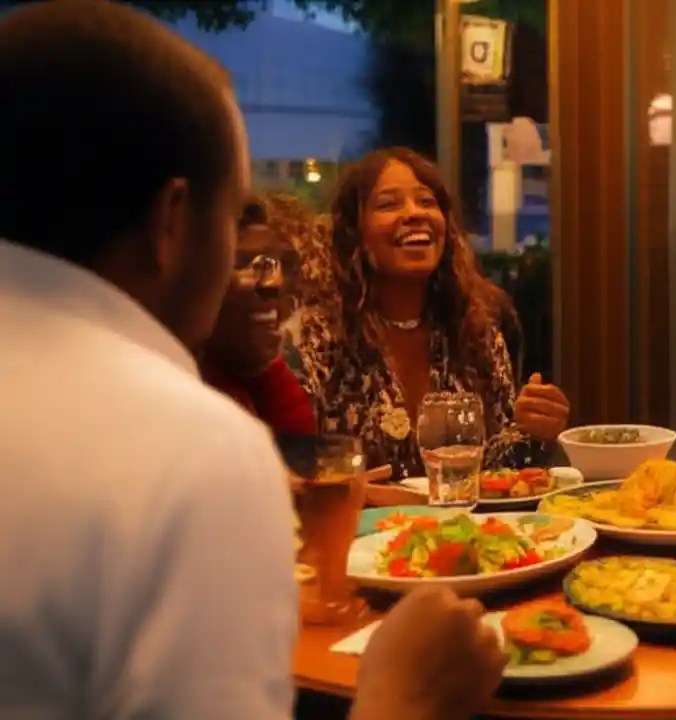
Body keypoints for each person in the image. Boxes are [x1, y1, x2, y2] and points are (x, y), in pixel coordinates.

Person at [0, 3, 502, 719]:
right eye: (233, 214)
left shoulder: (475, 323)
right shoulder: (188, 451)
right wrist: (406, 694)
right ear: (172, 222)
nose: (262, 275)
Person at [293, 147, 570, 476]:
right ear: (355, 234)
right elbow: (295, 474)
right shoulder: (317, 336)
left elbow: (494, 471)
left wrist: (532, 432)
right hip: (354, 525)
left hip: (461, 526)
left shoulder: (474, 328)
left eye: (426, 201)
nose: (414, 213)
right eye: (388, 204)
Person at [201, 196, 316, 436]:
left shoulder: (252, 366)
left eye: (270, 264)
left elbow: (299, 453)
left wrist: (260, 368)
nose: (273, 283)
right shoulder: (181, 378)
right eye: (243, 263)